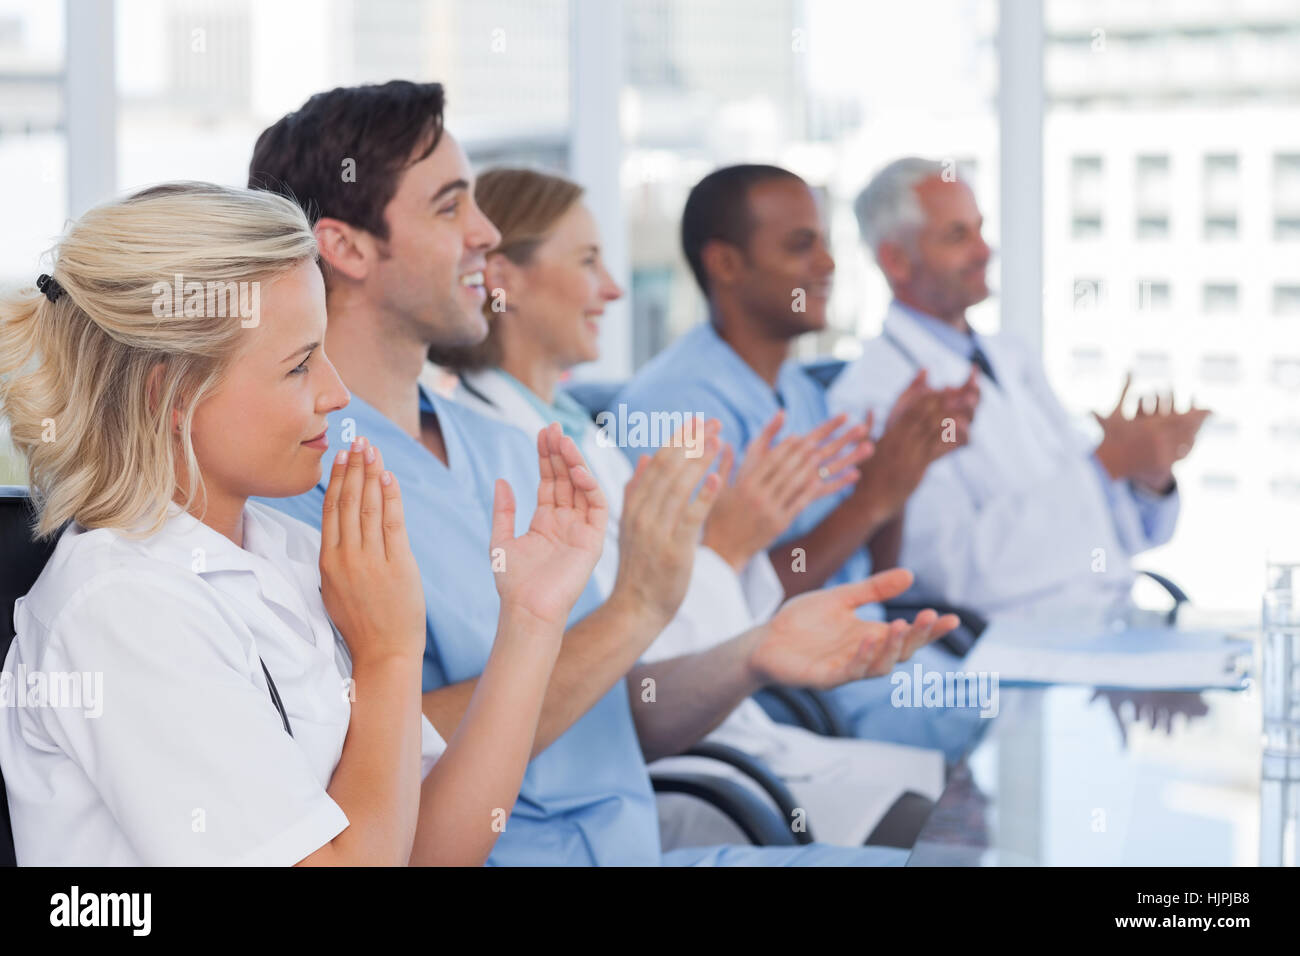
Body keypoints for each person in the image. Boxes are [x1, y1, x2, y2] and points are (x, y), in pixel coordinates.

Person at [250, 80, 948, 865]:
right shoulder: (299, 484)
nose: (485, 235)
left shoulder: (513, 449)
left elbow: (616, 720)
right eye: (449, 208)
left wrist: (750, 655)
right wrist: (634, 607)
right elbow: (371, 757)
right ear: (345, 247)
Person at [0, 182, 605, 866]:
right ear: (165, 393)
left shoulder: (289, 554)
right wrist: (388, 655)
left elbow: (430, 850)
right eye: (297, 366)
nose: (335, 393)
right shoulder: (121, 610)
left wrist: (531, 620)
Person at [429, 166, 949, 847]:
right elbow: (635, 649)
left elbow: (662, 617)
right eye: (588, 262)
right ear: (504, 277)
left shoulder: (576, 432)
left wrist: (734, 552)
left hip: (731, 738)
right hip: (677, 772)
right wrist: (728, 548)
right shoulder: (502, 456)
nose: (614, 289)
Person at [615, 164, 984, 755]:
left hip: (876, 660)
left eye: (826, 243)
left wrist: (900, 472)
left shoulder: (802, 388)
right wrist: (872, 498)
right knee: (1015, 737)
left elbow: (865, 573)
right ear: (726, 265)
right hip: (800, 699)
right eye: (799, 246)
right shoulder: (678, 407)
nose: (828, 266)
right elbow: (715, 609)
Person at [829, 157, 1210, 619]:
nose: (983, 251)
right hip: (1012, 649)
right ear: (895, 259)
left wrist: (1146, 478)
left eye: (979, 229)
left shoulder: (1012, 357)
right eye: (957, 236)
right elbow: (947, 573)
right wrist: (1106, 464)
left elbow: (1116, 534)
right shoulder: (872, 392)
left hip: (1104, 621)